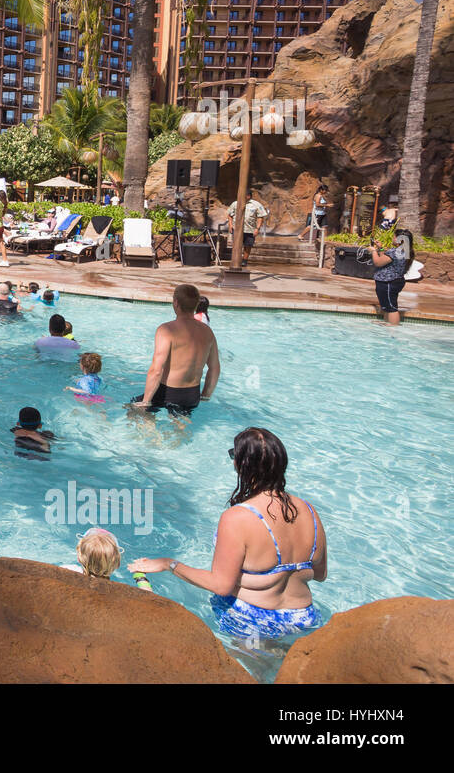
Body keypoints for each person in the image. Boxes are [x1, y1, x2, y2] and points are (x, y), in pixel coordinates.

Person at [130, 428, 326, 641]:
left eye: (234, 455)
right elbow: (320, 574)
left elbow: (221, 586)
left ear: (242, 465)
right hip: (303, 620)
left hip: (251, 622)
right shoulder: (308, 510)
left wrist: (169, 564)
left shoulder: (237, 518)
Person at [131, 284, 219, 415]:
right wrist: (205, 395)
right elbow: (215, 368)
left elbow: (156, 370)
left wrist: (145, 402)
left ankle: (149, 428)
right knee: (180, 425)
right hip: (192, 395)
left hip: (168, 392)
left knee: (133, 409)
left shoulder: (166, 330)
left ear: (176, 303)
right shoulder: (208, 332)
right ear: (196, 305)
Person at [60, 529, 152, 591]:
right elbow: (147, 599)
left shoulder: (66, 571)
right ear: (117, 564)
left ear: (79, 558)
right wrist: (140, 576)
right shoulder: (115, 591)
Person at [367, 228, 414, 325]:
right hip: (393, 281)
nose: (392, 238)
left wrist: (373, 251)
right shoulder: (403, 251)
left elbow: (378, 262)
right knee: (388, 306)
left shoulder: (395, 252)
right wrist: (380, 248)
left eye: (394, 236)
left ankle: (393, 327)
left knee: (391, 307)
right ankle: (387, 323)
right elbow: (386, 260)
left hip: (388, 282)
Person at [227, 191, 268, 268]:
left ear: (248, 196)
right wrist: (230, 225)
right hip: (237, 229)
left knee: (248, 245)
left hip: (250, 229)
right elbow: (230, 214)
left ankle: (244, 260)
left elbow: (260, 217)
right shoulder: (235, 203)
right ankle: (236, 260)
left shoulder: (256, 205)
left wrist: (257, 228)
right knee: (236, 245)